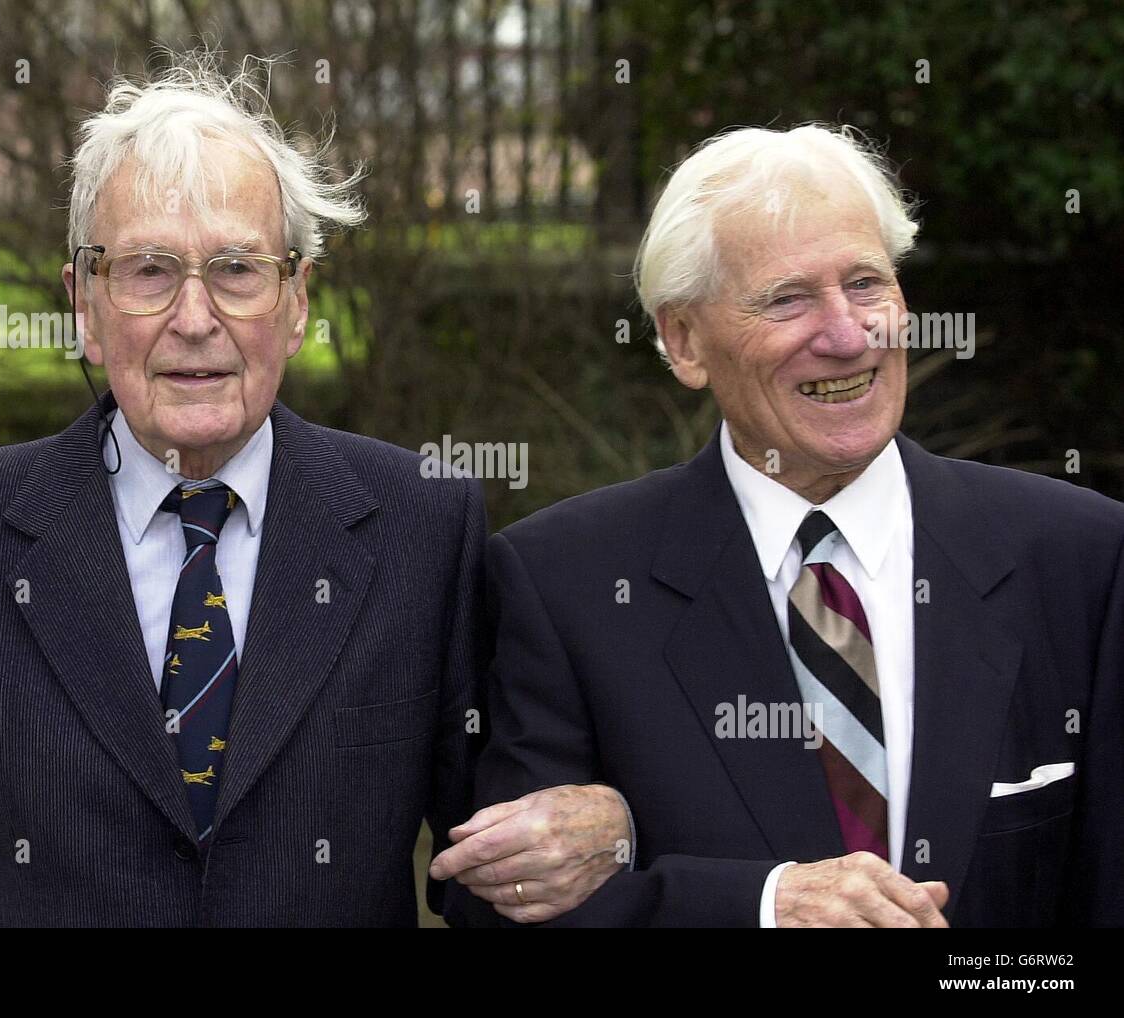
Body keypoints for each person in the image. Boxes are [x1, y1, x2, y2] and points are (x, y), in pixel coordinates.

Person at [0, 51, 627, 928]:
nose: (196, 318)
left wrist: (618, 827)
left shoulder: (424, 524)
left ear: (297, 300)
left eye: (239, 269)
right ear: (85, 305)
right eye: (149, 271)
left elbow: (497, 877)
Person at [463, 124, 1124, 926]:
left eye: (867, 284)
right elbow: (502, 908)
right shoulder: (565, 582)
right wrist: (765, 907)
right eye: (787, 298)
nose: (847, 336)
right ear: (683, 341)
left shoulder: (1080, 556)